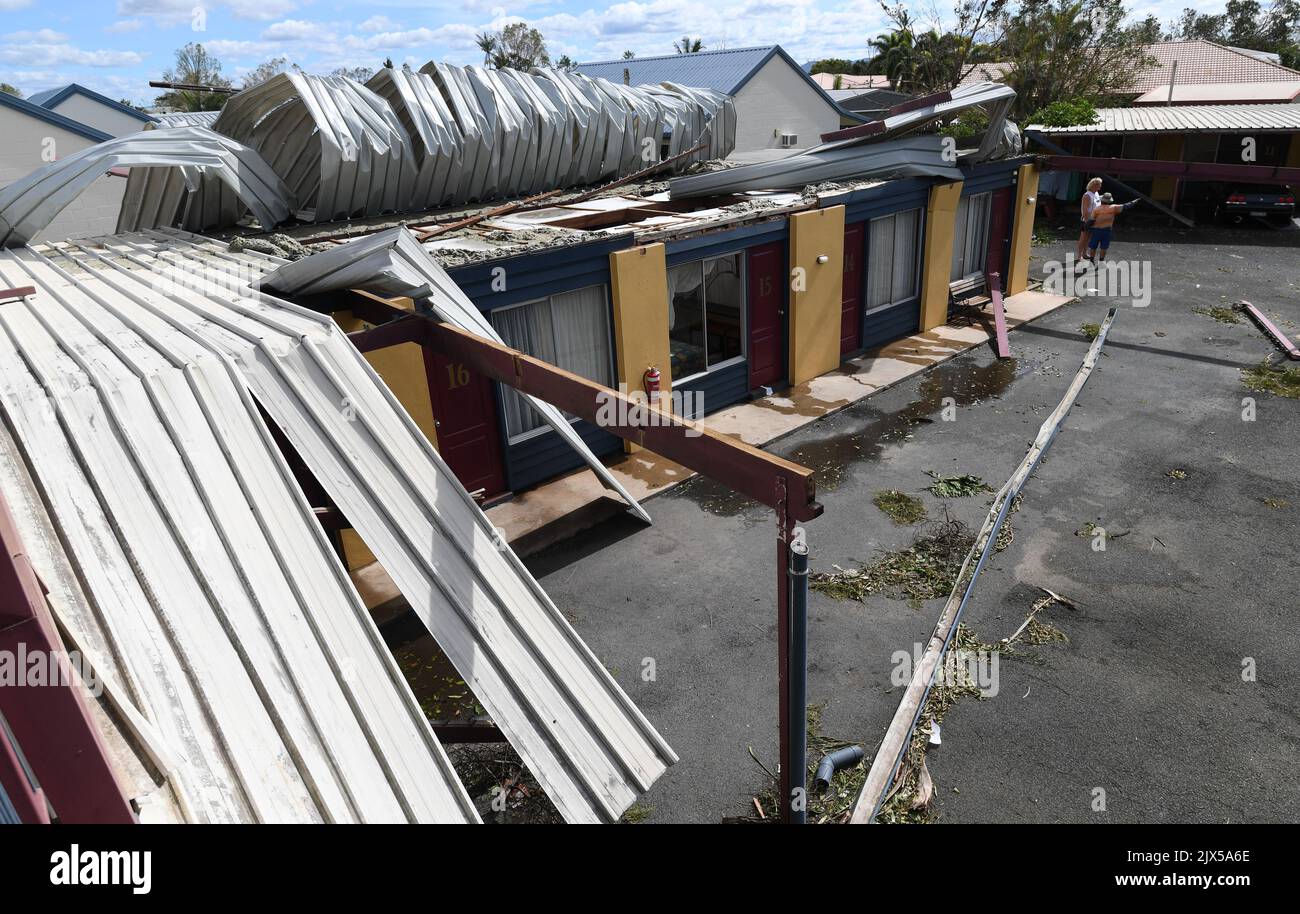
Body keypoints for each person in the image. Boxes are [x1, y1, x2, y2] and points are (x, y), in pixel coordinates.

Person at [1084, 192, 1138, 263]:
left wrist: (1086, 228)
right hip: (1107, 230)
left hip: (1096, 230)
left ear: (1101, 200)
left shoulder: (1097, 209)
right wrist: (1135, 201)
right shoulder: (1114, 208)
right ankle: (1101, 261)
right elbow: (1127, 206)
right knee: (1104, 247)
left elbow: (1091, 221)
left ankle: (1091, 260)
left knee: (1093, 246)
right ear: (1109, 201)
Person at [1076, 177, 1103, 267]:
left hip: (1095, 219)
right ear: (1094, 185)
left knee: (1089, 237)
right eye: (1099, 185)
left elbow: (1097, 203)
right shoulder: (1087, 195)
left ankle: (1084, 253)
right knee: (1083, 237)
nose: (1100, 186)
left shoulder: (1096, 193)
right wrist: (1088, 222)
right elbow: (1085, 211)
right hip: (1087, 220)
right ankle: (1079, 256)